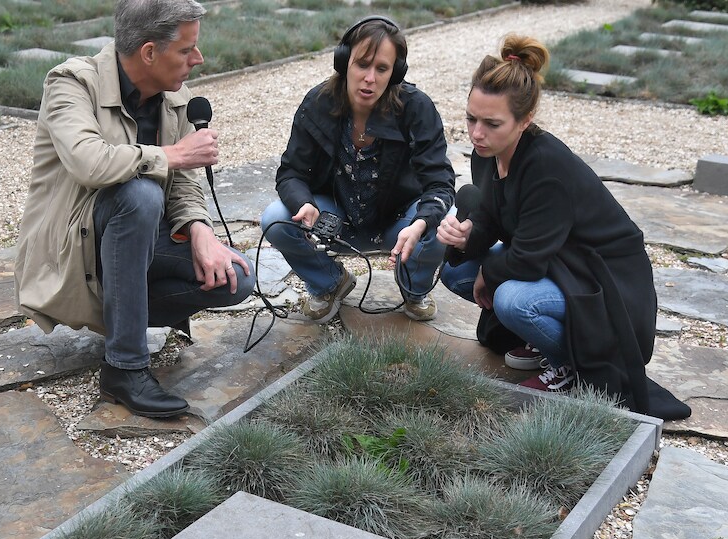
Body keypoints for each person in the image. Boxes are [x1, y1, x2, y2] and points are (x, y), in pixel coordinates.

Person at [14, 0, 255, 419]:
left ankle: (123, 313)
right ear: (149, 52)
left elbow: (183, 182)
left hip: (132, 242)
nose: (198, 59)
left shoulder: (174, 97)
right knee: (141, 195)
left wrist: (200, 230)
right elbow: (89, 162)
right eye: (186, 50)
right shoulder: (72, 84)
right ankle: (124, 368)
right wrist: (173, 154)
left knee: (233, 277)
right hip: (75, 250)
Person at [438, 34, 685, 417]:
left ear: (525, 120)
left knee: (512, 300)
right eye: (471, 118)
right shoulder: (488, 152)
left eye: (492, 123)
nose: (476, 133)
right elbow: (491, 215)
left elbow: (527, 261)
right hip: (558, 262)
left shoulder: (546, 167)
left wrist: (489, 271)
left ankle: (573, 366)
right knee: (456, 272)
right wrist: (466, 236)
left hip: (605, 281)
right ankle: (548, 341)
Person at [260, 15, 455, 324]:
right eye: (362, 65)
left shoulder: (417, 108)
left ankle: (415, 287)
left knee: (445, 219)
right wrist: (304, 204)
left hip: (398, 224)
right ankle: (329, 283)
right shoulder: (317, 102)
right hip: (336, 221)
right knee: (275, 219)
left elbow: (440, 183)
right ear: (343, 61)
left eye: (382, 69)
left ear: (395, 72)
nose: (370, 78)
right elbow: (290, 173)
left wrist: (420, 223)